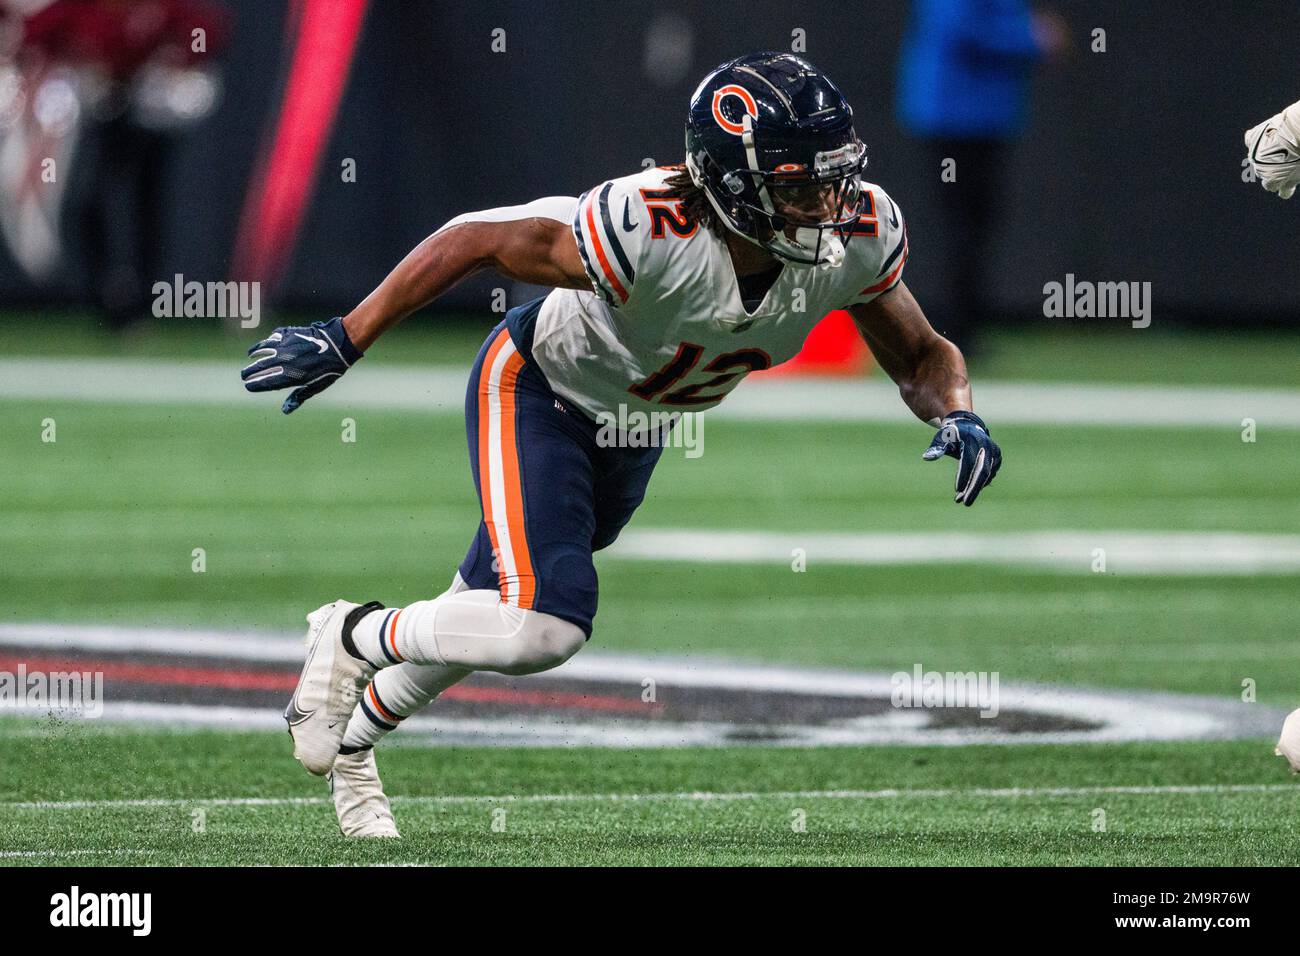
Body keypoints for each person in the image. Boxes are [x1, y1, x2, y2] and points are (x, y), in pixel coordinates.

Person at [241, 52, 1002, 838]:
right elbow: (475, 238)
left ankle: (357, 742)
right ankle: (349, 631)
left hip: (637, 429)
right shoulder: (649, 229)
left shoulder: (859, 237)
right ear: (734, 184)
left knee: (482, 614)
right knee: (545, 624)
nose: (830, 203)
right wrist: (347, 336)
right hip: (538, 390)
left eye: (834, 177)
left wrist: (958, 412)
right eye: (801, 185)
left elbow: (920, 355)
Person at [895, 0, 1065, 353]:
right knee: (960, 226)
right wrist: (1033, 38)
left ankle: (961, 328)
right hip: (958, 113)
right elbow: (961, 27)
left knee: (972, 226)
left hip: (979, 113)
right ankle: (951, 331)